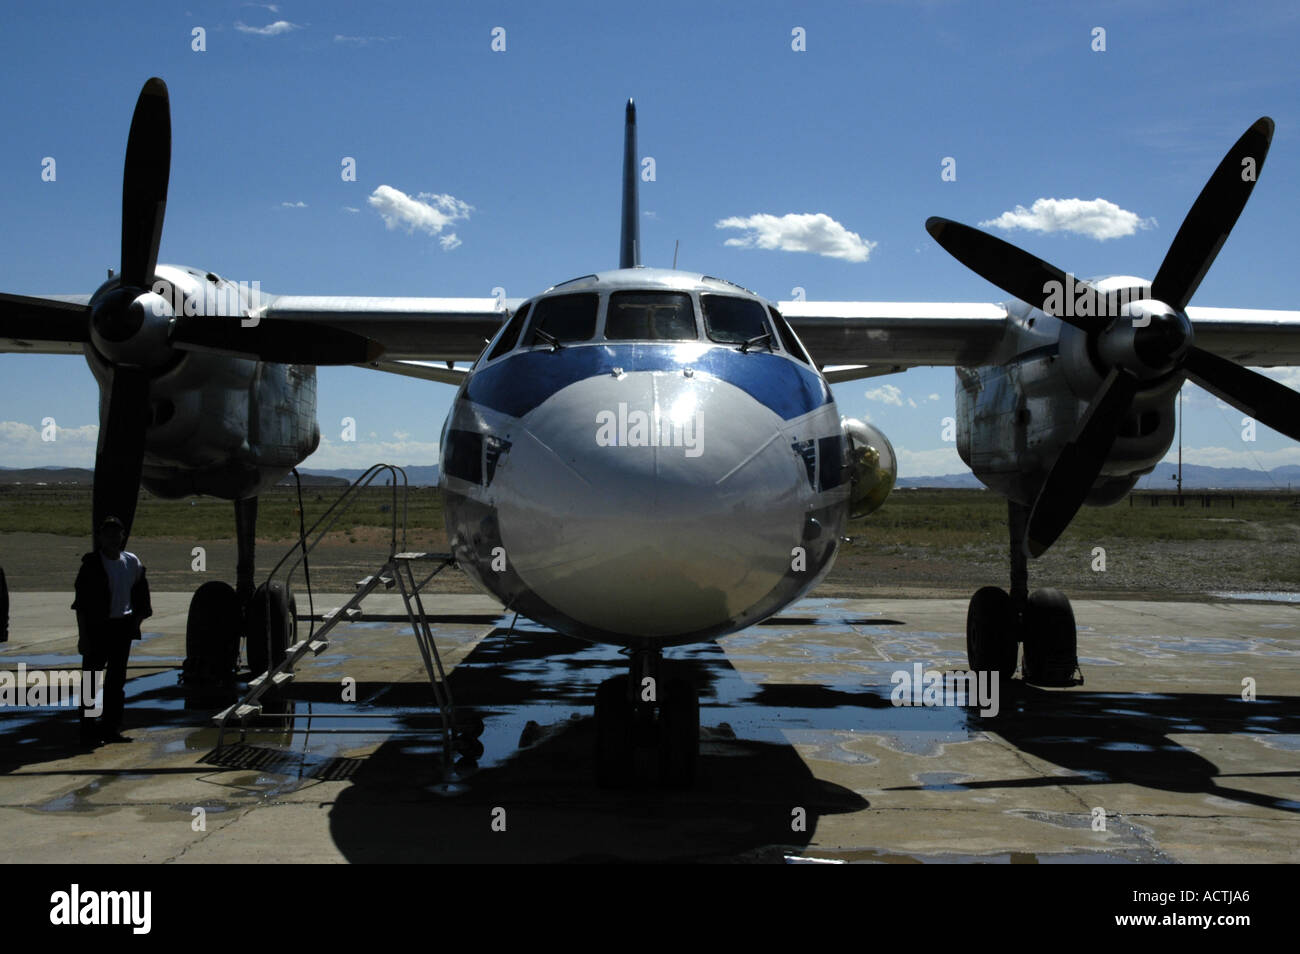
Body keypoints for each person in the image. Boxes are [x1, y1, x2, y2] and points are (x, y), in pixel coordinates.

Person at [72, 516, 152, 746]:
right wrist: (83, 635)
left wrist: (137, 621)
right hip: (98, 627)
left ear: (123, 536)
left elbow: (140, 591)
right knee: (91, 680)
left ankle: (111, 728)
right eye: (108, 534)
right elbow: (81, 605)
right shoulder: (91, 565)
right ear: (100, 537)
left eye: (117, 534)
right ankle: (87, 730)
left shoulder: (132, 562)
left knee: (116, 682)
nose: (113, 538)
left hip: (121, 628)